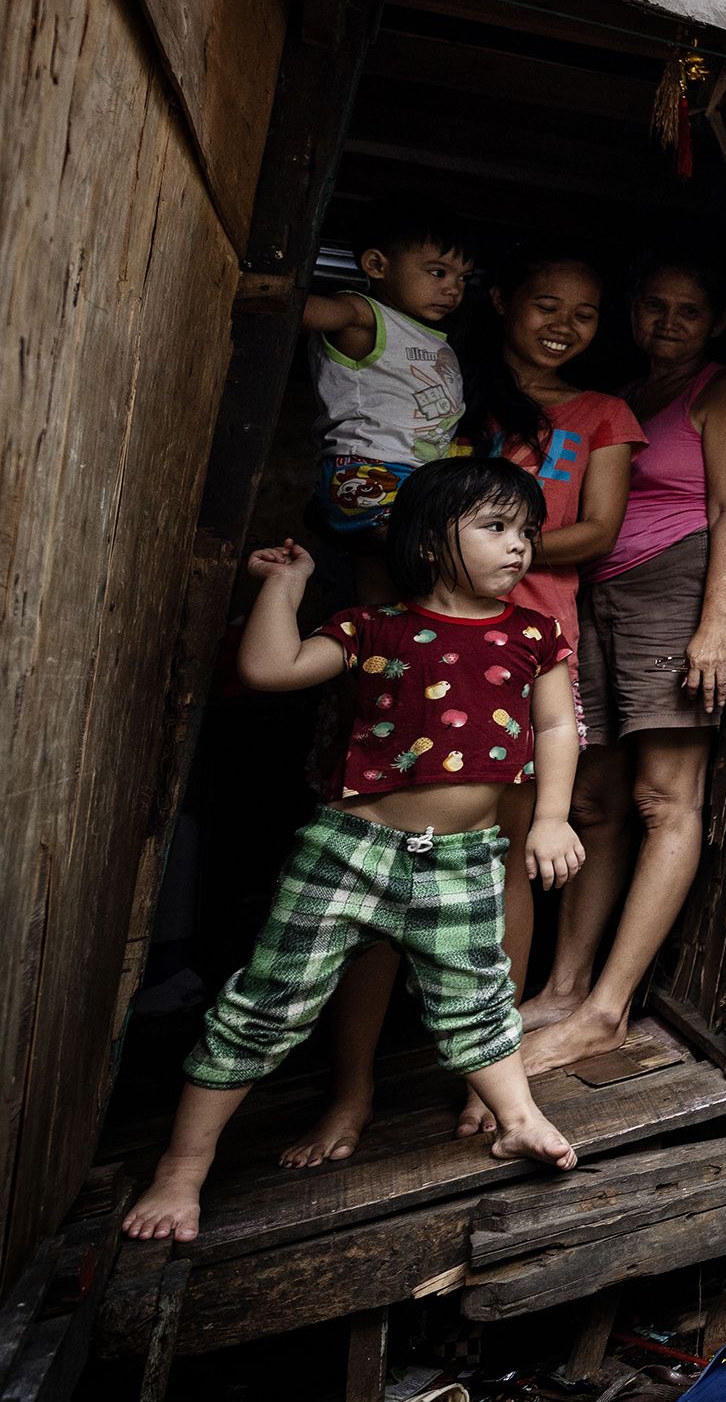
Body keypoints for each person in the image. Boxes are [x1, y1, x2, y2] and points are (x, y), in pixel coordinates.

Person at [123, 458, 583, 1243]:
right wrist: (286, 584)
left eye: (527, 533)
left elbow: (553, 728)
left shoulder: (534, 634)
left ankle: (518, 1117)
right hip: (350, 850)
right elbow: (269, 668)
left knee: (477, 1000)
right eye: (497, 528)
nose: (520, 548)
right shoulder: (376, 627)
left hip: (465, 859)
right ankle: (182, 1169)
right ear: (431, 543)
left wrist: (550, 818)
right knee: (265, 1005)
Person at [287, 257, 642, 1163]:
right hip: (409, 650)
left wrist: (486, 550)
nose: (565, 323)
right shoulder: (450, 388)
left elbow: (597, 531)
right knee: (369, 884)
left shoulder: (598, 413)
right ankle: (353, 1089)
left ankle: (493, 1078)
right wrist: (428, 561)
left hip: (523, 652)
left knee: (505, 873)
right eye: (546, 304)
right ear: (503, 306)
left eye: (588, 311)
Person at [515, 256, 726, 1075]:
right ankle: (563, 985)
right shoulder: (624, 395)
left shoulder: (720, 393)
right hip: (596, 596)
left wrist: (716, 625)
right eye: (654, 307)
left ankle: (606, 1009)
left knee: (666, 797)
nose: (668, 322)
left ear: (716, 322)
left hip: (675, 588)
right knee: (593, 798)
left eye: (687, 310)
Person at [301, 201, 475, 600]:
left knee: (390, 589)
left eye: (462, 278)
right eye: (438, 272)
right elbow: (308, 310)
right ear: (377, 266)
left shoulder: (430, 336)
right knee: (425, 556)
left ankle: (376, 648)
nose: (453, 288)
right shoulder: (364, 316)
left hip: (412, 482)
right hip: (368, 473)